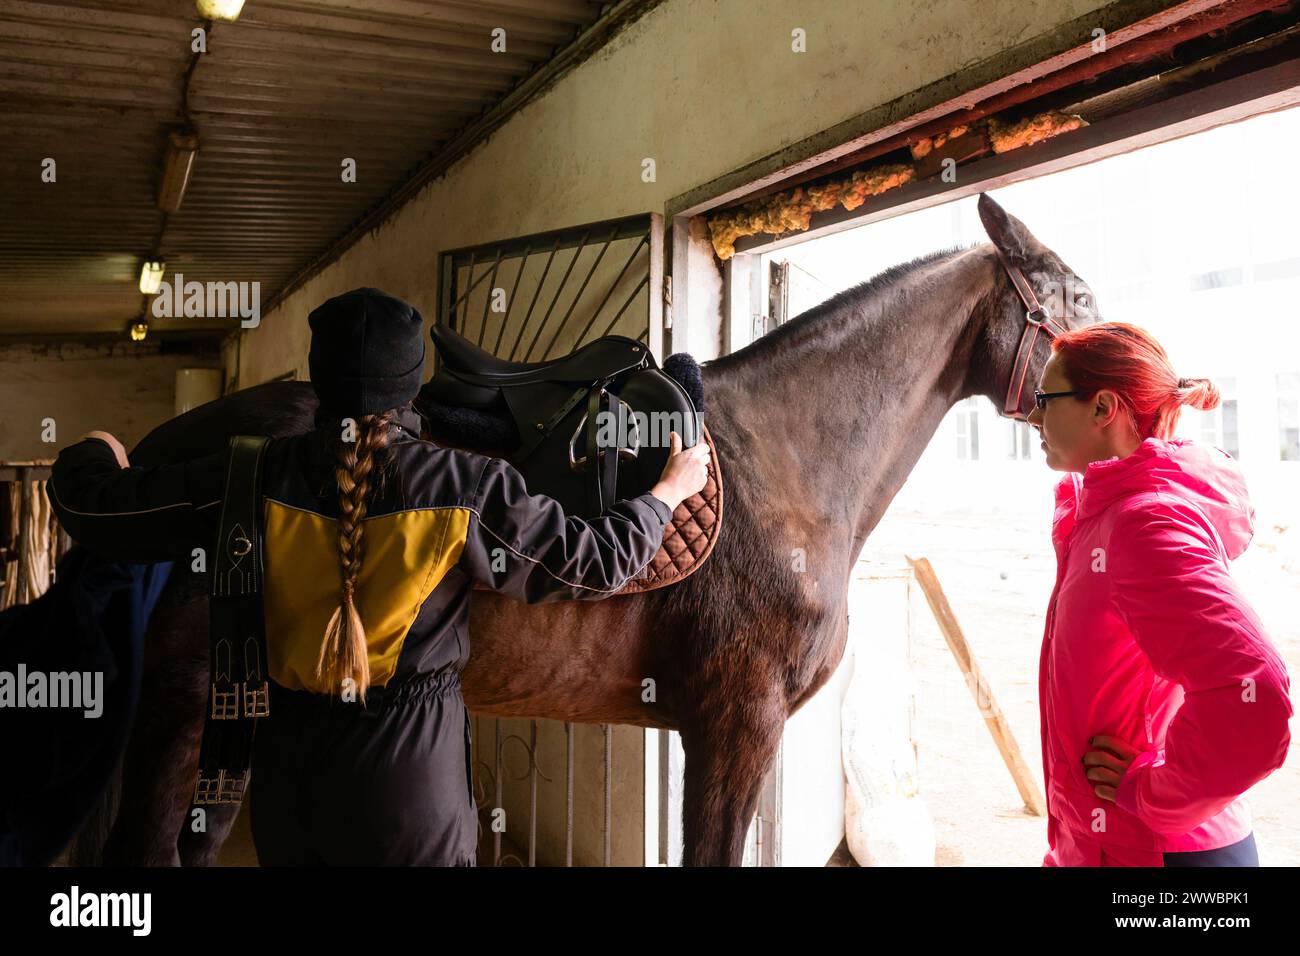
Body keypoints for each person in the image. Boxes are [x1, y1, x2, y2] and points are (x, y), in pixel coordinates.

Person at [45, 287, 710, 866]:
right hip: (408, 790)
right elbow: (594, 562)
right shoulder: (462, 485)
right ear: (414, 383)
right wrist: (666, 496)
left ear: (318, 378)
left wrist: (92, 453)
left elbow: (95, 512)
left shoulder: (248, 474)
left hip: (289, 784)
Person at [1026, 320, 1291, 867]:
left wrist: (1149, 792)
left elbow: (1253, 695)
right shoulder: (1103, 514)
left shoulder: (1143, 523)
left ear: (1103, 408)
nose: (1033, 416)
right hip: (1110, 844)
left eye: (1044, 398)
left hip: (1156, 854)